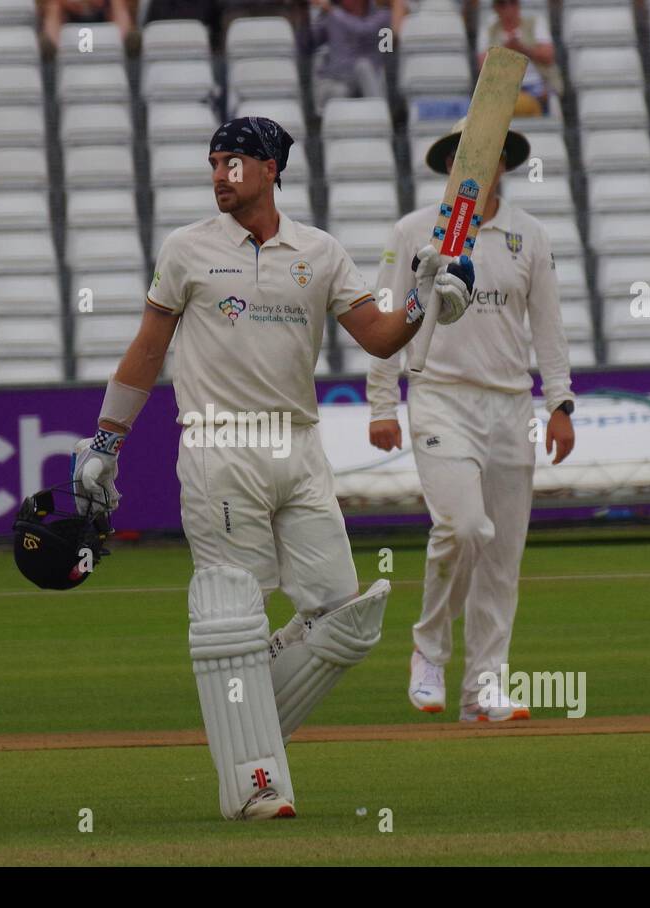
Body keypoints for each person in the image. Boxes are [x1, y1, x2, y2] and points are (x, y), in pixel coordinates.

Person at [71, 116, 470, 819]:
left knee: (345, 615)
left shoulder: (318, 251)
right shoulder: (187, 249)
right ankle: (256, 784)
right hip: (220, 447)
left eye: (235, 162)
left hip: (300, 446)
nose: (221, 174)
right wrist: (107, 440)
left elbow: (379, 337)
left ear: (271, 169)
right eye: (215, 161)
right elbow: (146, 347)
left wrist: (425, 301)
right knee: (235, 621)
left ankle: (241, 736)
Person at [367, 118, 576, 721]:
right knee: (464, 530)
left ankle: (484, 689)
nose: (480, 164)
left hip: (511, 405)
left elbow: (548, 326)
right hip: (439, 395)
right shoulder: (415, 232)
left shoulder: (528, 235)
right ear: (452, 164)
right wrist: (382, 404)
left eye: (488, 153)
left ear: (504, 161)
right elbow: (384, 317)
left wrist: (559, 403)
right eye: (467, 155)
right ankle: (428, 652)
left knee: (502, 555)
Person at [306, 0, 405, 113]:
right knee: (339, 91)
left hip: (370, 79)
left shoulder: (383, 15)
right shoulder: (332, 16)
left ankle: (379, 115)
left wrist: (332, 11)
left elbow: (364, 30)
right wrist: (303, 15)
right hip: (337, 80)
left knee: (363, 66)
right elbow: (308, 45)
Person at [477, 0, 560, 116]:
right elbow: (482, 67)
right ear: (495, 8)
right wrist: (507, 49)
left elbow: (549, 55)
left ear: (518, 5)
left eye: (513, 3)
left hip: (537, 87)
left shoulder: (535, 23)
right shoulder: (488, 30)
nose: (508, 8)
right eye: (502, 4)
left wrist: (522, 49)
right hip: (503, 89)